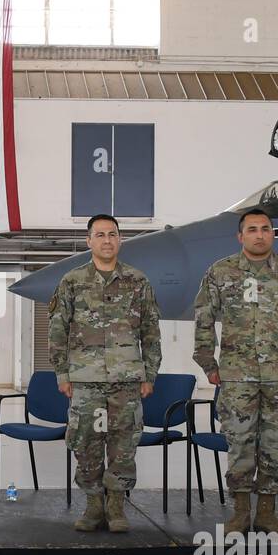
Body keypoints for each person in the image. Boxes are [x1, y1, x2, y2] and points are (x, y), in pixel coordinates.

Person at [192, 207, 278, 535]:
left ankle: (266, 512)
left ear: (272, 234)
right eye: (252, 229)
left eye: (265, 228)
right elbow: (204, 318)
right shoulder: (220, 272)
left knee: (277, 442)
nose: (259, 234)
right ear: (241, 236)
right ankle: (239, 512)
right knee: (239, 442)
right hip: (237, 376)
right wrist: (208, 363)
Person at [48, 214, 162, 533]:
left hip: (126, 380)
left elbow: (151, 332)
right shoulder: (72, 282)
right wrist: (62, 374)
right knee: (85, 442)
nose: (107, 240)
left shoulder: (138, 281)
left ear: (120, 239)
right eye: (100, 235)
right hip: (85, 381)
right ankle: (94, 503)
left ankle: (116, 504)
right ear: (89, 241)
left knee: (124, 443)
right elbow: (57, 332)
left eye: (112, 234)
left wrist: (149, 375)